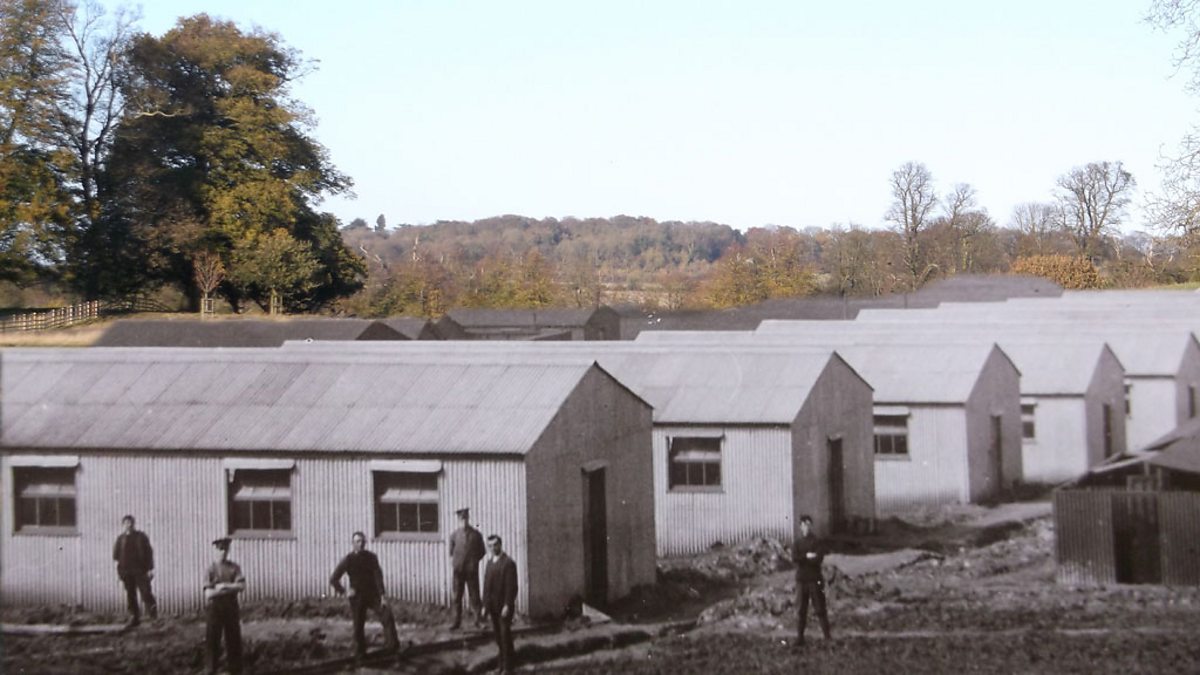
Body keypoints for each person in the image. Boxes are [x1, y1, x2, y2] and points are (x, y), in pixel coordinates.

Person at [329, 531, 400, 662]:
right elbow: (333, 579)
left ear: (365, 543)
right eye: (357, 541)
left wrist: (382, 595)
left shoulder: (371, 557)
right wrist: (345, 592)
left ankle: (392, 647)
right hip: (357, 597)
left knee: (387, 615)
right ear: (353, 544)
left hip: (373, 595)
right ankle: (360, 654)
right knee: (358, 625)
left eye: (362, 541)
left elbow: (378, 576)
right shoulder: (348, 560)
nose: (360, 544)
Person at [204, 537, 245, 675]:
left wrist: (223, 586)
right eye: (220, 549)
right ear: (215, 550)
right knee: (212, 640)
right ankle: (211, 670)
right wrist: (227, 590)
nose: (223, 552)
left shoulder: (234, 567)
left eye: (225, 549)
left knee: (233, 640)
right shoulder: (210, 569)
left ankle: (235, 670)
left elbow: (241, 586)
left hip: (231, 608)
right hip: (215, 609)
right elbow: (208, 593)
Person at [793, 514, 832, 647]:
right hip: (801, 580)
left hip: (815, 579)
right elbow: (794, 558)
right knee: (801, 610)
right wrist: (807, 556)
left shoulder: (817, 541)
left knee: (820, 608)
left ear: (811, 526)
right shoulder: (797, 543)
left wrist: (805, 558)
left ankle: (827, 637)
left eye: (808, 525)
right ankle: (800, 638)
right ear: (800, 527)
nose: (806, 527)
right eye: (804, 525)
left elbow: (818, 558)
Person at [482, 534, 518, 674]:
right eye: (490, 546)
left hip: (504, 608)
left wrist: (508, 605)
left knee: (505, 636)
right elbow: (486, 587)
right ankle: (501, 666)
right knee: (498, 637)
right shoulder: (490, 563)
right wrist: (485, 606)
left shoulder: (508, 563)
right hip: (493, 607)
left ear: (500, 545)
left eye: (495, 545)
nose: (492, 548)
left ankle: (508, 668)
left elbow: (512, 587)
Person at [112, 514, 157, 627]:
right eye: (126, 523)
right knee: (131, 595)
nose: (129, 525)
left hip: (140, 571)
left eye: (130, 523)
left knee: (146, 593)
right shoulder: (120, 539)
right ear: (123, 525)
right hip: (126, 572)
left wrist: (150, 569)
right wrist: (119, 572)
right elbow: (116, 556)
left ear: (134, 524)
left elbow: (149, 553)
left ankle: (153, 617)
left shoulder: (141, 537)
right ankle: (134, 618)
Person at [448, 507, 486, 630]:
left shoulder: (476, 535)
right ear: (458, 520)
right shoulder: (454, 536)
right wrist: (457, 564)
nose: (463, 521)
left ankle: (478, 620)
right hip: (458, 571)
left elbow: (482, 552)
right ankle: (456, 621)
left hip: (471, 571)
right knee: (457, 597)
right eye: (461, 519)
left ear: (468, 519)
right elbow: (451, 552)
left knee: (474, 596)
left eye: (465, 518)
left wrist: (473, 562)